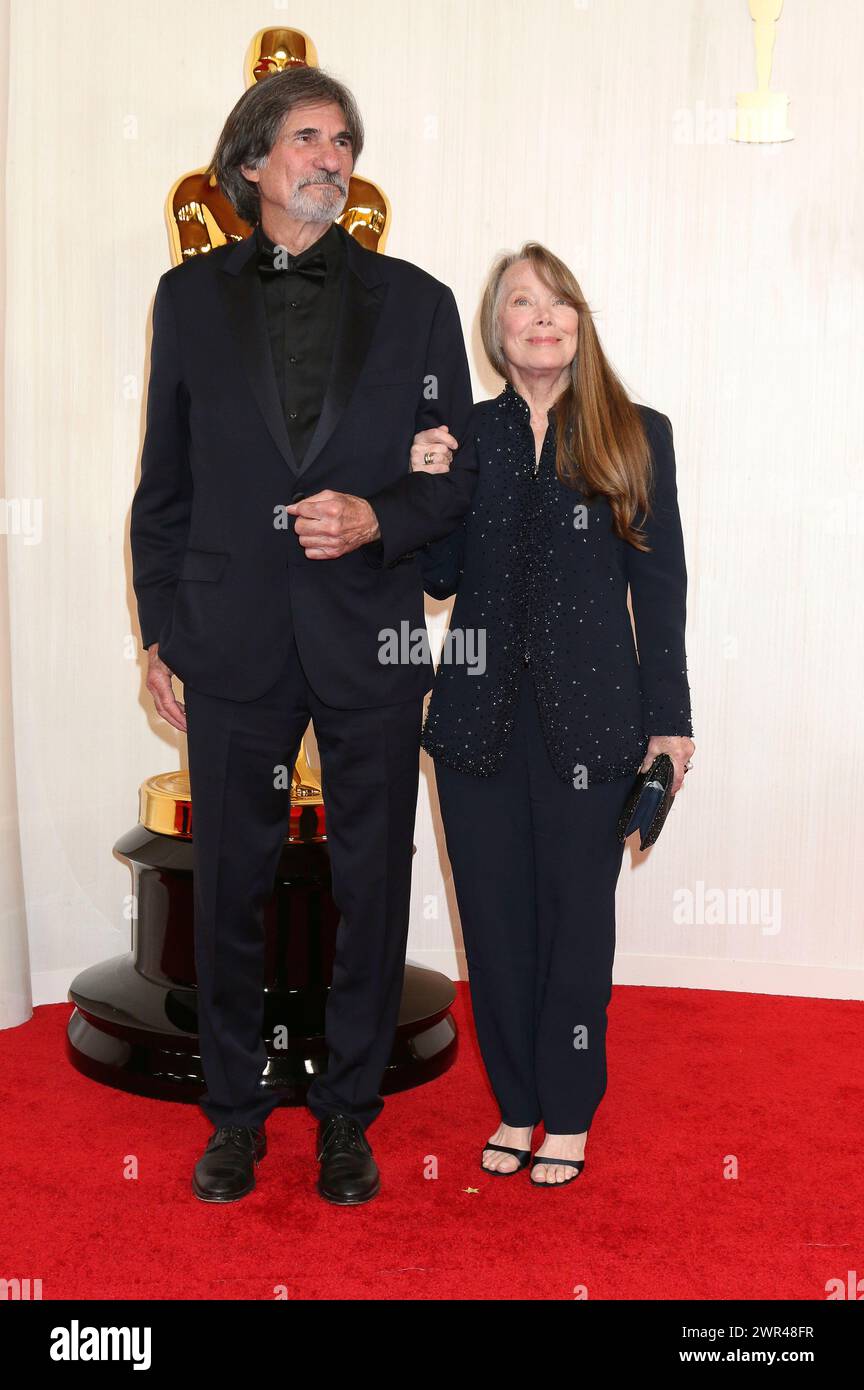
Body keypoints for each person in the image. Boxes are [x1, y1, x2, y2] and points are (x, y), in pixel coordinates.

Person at [130, 66, 476, 1205]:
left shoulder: (420, 304)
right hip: (228, 635)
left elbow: (450, 482)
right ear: (253, 165)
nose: (334, 157)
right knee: (230, 883)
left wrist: (380, 515)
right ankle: (233, 1115)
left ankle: (346, 1115)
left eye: (346, 142)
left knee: (372, 885)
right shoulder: (185, 302)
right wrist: (162, 630)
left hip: (370, 634)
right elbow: (163, 488)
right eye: (311, 139)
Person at [418, 242, 695, 1186]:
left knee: (576, 921)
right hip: (473, 719)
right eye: (519, 304)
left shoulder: (635, 433)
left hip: (595, 723)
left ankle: (569, 1110)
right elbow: (439, 576)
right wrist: (423, 486)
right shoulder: (469, 435)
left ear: (580, 320)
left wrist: (672, 723)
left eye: (557, 302)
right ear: (495, 332)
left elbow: (660, 594)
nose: (540, 317)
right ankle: (517, 1104)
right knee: (491, 922)